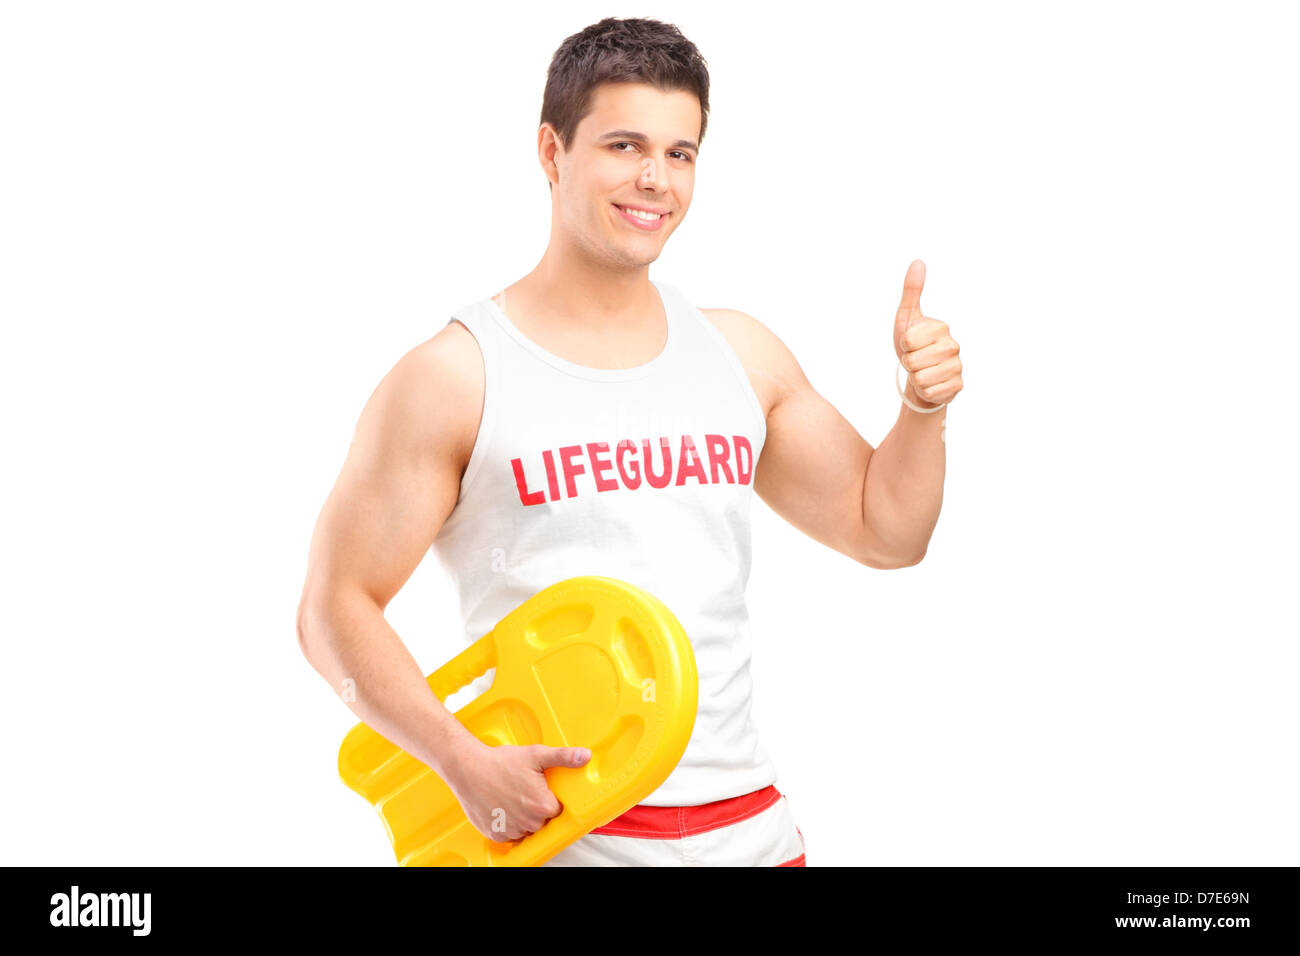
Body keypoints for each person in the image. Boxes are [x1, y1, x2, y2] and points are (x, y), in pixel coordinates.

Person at [296, 16, 963, 867]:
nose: (655, 180)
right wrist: (461, 762)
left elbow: (887, 530)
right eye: (623, 145)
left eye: (680, 154)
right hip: (572, 837)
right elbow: (332, 607)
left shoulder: (740, 354)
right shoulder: (457, 376)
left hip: (754, 833)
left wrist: (922, 408)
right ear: (551, 151)